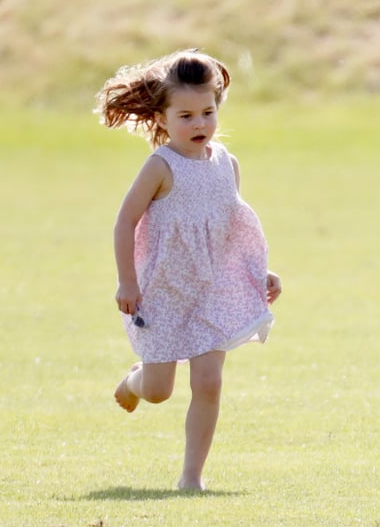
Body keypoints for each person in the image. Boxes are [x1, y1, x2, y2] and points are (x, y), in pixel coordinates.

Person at [94, 49, 282, 491]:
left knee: (209, 382)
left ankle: (190, 478)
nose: (199, 124)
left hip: (211, 290)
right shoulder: (160, 166)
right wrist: (127, 280)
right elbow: (126, 221)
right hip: (162, 291)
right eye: (185, 116)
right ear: (161, 116)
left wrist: (262, 275)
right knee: (160, 390)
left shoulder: (227, 165)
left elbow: (231, 229)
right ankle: (135, 381)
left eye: (207, 113)